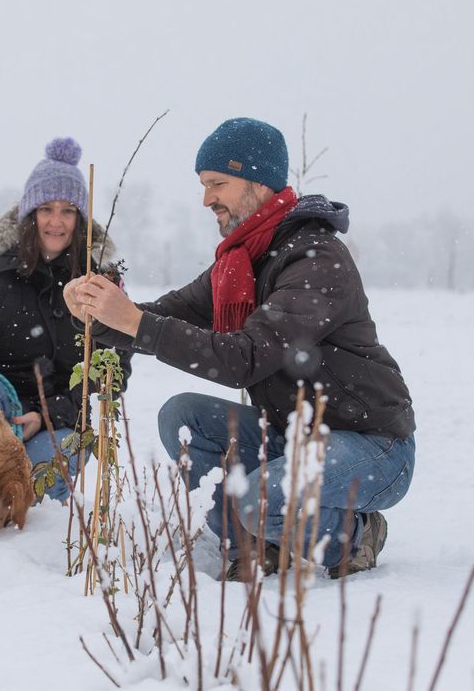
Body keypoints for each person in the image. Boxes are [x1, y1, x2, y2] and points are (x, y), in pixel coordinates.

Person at [63, 117, 414, 578]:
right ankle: (255, 545)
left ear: (259, 181)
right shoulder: (239, 263)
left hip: (371, 444)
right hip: (292, 436)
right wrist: (97, 313)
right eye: (204, 185)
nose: (206, 199)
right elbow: (164, 315)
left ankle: (357, 534)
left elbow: (245, 358)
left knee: (259, 500)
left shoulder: (317, 260)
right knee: (181, 417)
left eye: (217, 183)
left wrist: (133, 320)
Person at [0, 137, 131, 502]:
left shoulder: (100, 282)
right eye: (46, 209)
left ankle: (14, 513)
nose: (56, 222)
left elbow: (110, 377)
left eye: (68, 210)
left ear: (81, 219)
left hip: (58, 421)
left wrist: (43, 414)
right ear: (29, 215)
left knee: (31, 482)